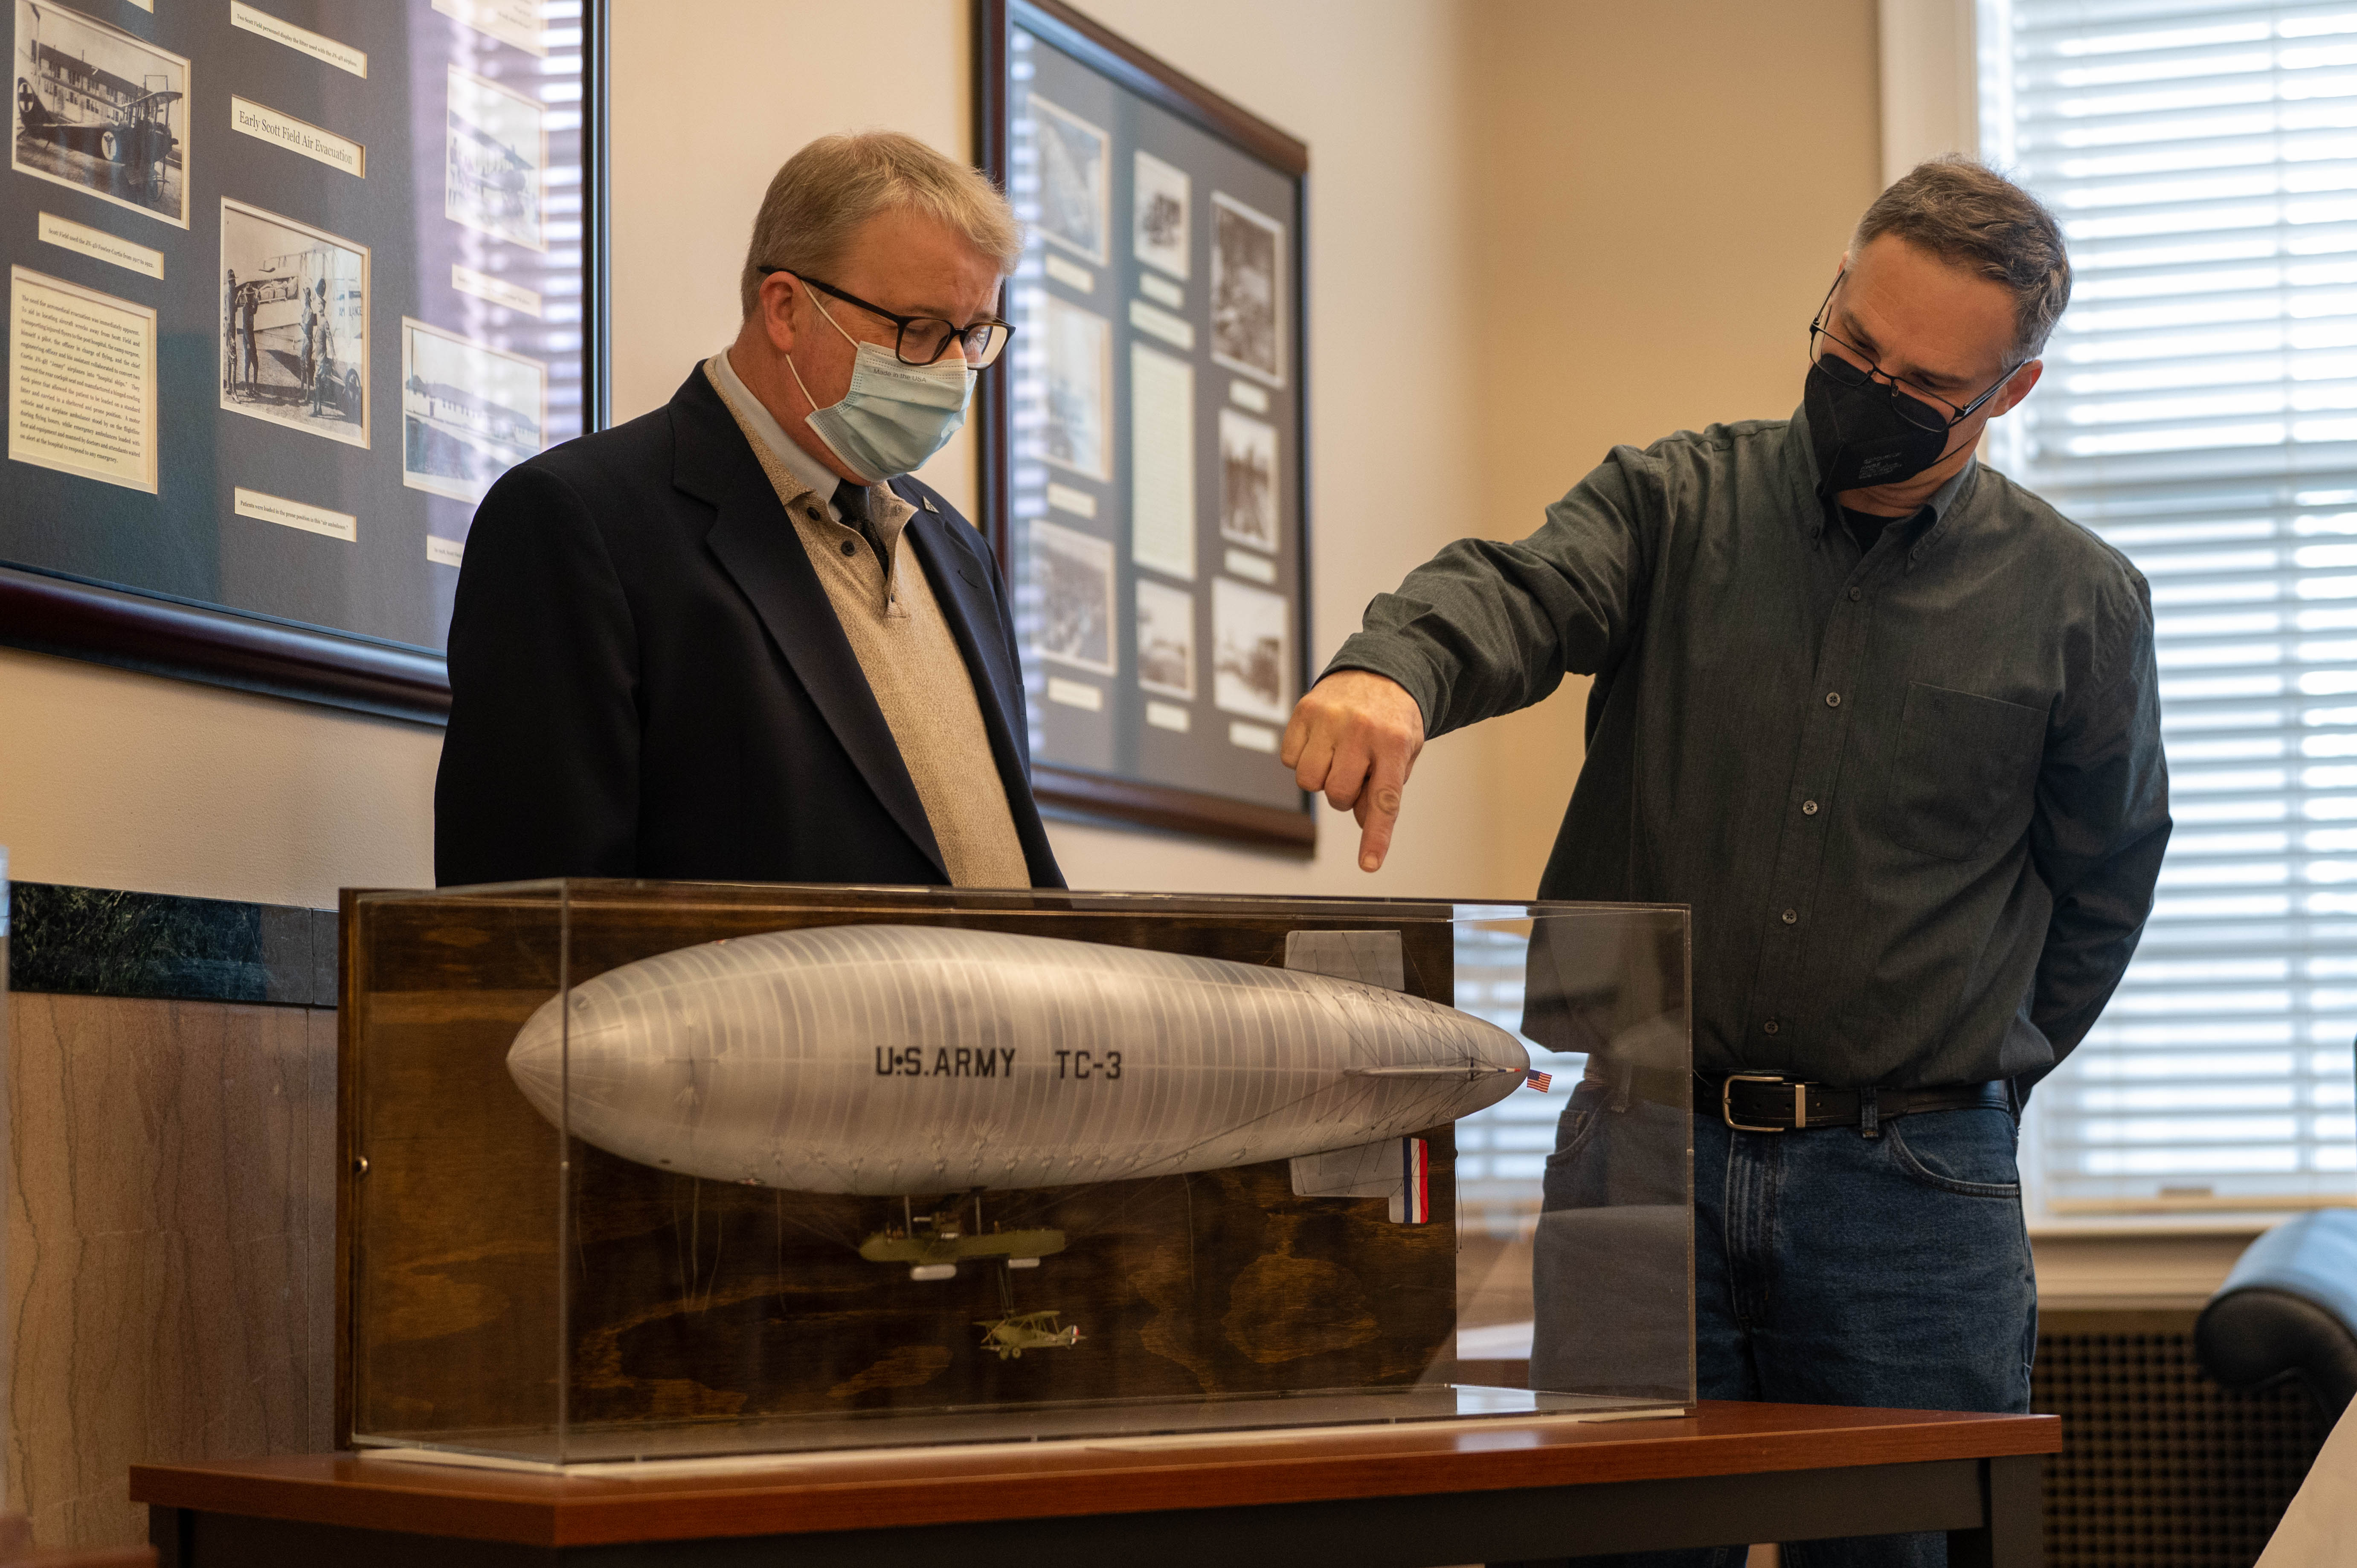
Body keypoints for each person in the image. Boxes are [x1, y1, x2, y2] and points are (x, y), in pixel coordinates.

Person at [1283, 158, 2170, 1568]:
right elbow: (1516, 590)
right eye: (1850, 343)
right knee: (1600, 1546)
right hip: (1638, 1156)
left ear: (2007, 393)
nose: (1866, 389)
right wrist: (1394, 668)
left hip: (1910, 1189)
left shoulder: (2078, 602)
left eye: (1919, 383)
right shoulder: (1670, 503)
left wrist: (1961, 1061)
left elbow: (2104, 878)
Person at [435, 131, 1062, 891]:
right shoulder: (580, 521)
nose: (954, 370)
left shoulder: (959, 550)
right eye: (919, 330)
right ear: (787, 309)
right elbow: (528, 912)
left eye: (974, 335)